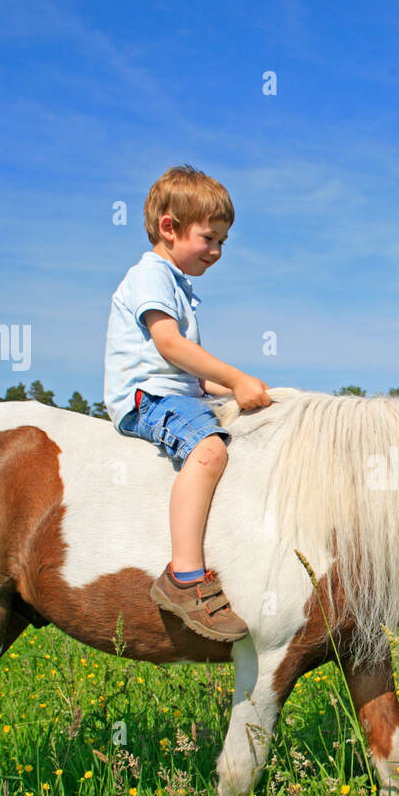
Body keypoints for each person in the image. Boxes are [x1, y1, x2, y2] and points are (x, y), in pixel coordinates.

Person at [103, 164, 271, 641]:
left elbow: (194, 375)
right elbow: (170, 348)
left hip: (176, 391)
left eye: (222, 242)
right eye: (210, 238)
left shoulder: (178, 285)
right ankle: (184, 576)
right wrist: (234, 377)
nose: (217, 252)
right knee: (209, 449)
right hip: (146, 397)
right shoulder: (150, 275)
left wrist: (245, 391)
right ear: (169, 228)